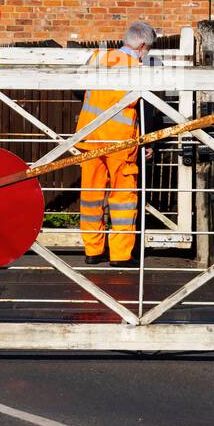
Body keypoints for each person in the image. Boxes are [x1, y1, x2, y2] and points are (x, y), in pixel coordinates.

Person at [76, 22, 156, 267]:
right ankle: (120, 255)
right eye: (148, 50)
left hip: (90, 137)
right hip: (120, 142)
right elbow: (146, 108)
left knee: (90, 196)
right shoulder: (138, 68)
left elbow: (79, 88)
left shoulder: (97, 57)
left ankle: (93, 251)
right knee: (122, 198)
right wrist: (148, 138)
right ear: (142, 46)